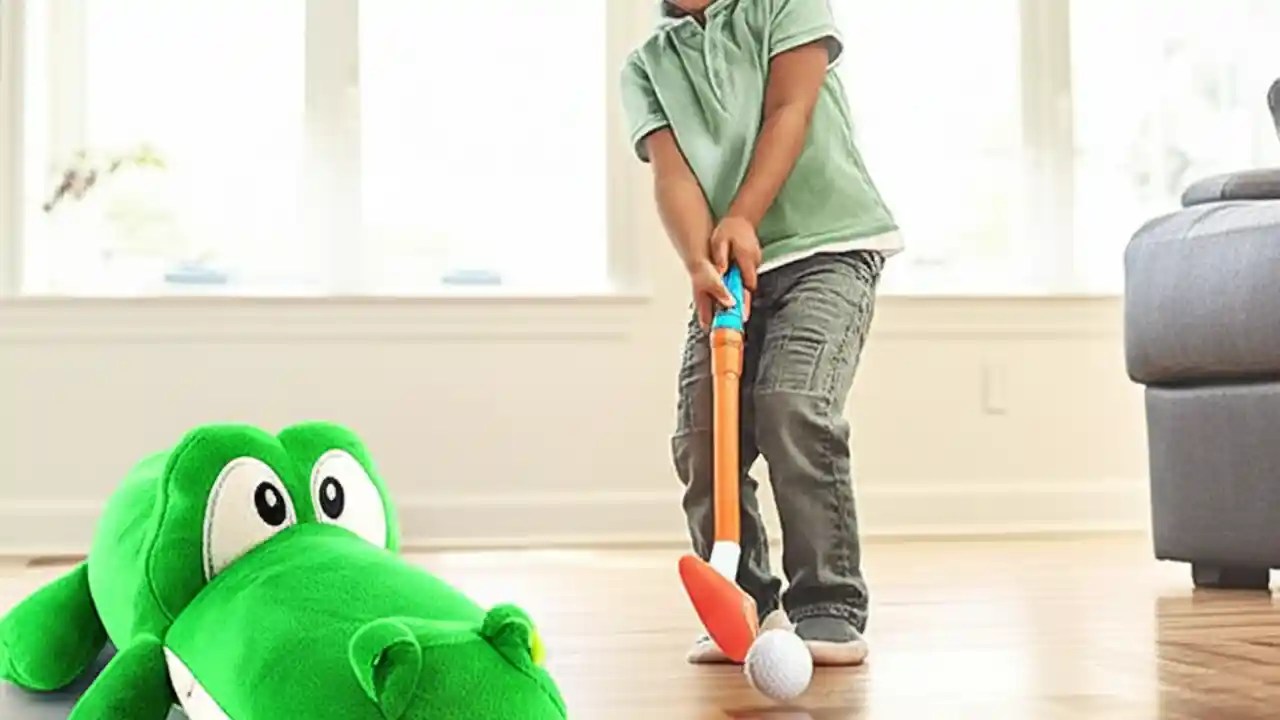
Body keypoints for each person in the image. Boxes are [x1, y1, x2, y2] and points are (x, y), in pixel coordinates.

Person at [620, 0, 903, 666]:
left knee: (792, 406)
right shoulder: (647, 66)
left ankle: (828, 606)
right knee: (701, 437)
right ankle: (740, 601)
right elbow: (673, 175)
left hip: (828, 249)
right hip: (730, 268)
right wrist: (698, 259)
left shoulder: (785, 5)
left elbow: (790, 112)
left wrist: (743, 215)